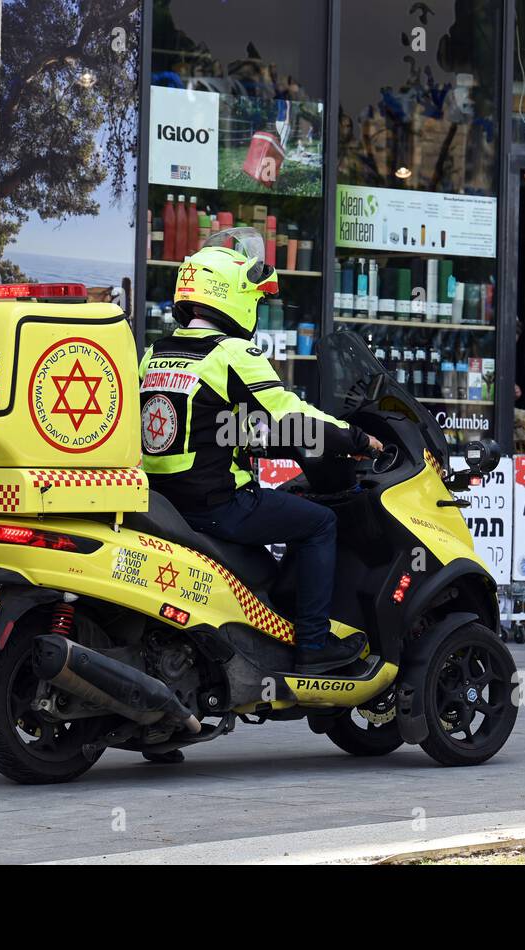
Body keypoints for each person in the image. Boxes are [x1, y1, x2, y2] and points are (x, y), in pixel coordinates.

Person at [139, 229, 383, 673]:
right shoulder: (230, 352)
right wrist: (357, 439)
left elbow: (204, 425)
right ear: (230, 295)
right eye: (252, 297)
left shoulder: (157, 352)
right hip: (217, 504)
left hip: (164, 502)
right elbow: (291, 414)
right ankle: (312, 643)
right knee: (320, 522)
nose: (255, 307)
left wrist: (263, 442)